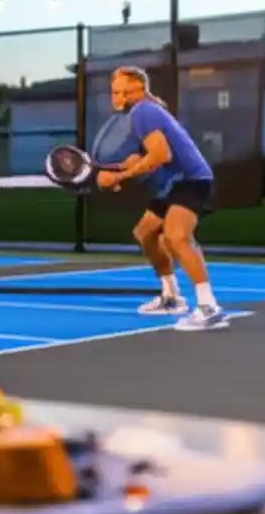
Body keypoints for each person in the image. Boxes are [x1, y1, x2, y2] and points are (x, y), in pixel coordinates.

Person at [96, 66, 228, 331]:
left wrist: (120, 178)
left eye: (121, 91)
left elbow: (161, 155)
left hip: (192, 181)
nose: (116, 97)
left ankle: (208, 306)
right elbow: (144, 157)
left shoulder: (143, 111)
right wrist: (118, 171)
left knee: (176, 236)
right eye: (114, 92)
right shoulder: (143, 113)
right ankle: (171, 297)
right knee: (145, 232)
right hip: (172, 185)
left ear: (138, 90)